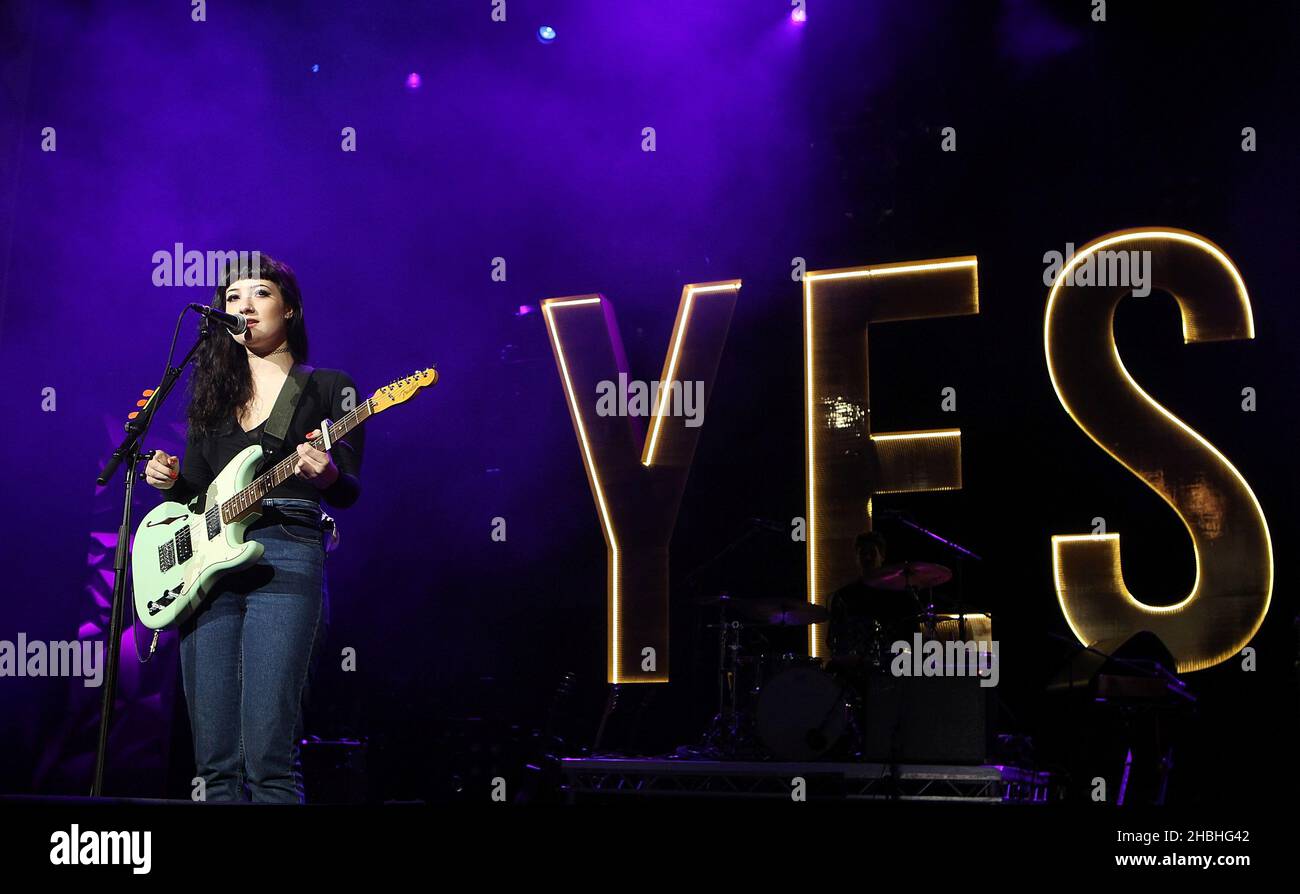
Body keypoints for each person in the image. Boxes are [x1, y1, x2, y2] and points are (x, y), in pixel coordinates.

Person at [143, 254, 364, 803]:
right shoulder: (212, 395)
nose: (243, 305)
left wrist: (328, 470)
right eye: (233, 296)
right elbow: (196, 493)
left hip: (286, 549)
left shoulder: (329, 387)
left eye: (259, 293)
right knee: (214, 764)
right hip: (207, 568)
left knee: (269, 758)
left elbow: (348, 489)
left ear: (289, 308)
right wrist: (168, 478)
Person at [827, 531, 918, 673]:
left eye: (872, 553)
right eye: (863, 553)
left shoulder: (899, 595)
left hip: (893, 663)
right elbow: (834, 638)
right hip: (855, 665)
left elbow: (911, 635)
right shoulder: (844, 596)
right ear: (856, 557)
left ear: (882, 557)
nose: (867, 557)